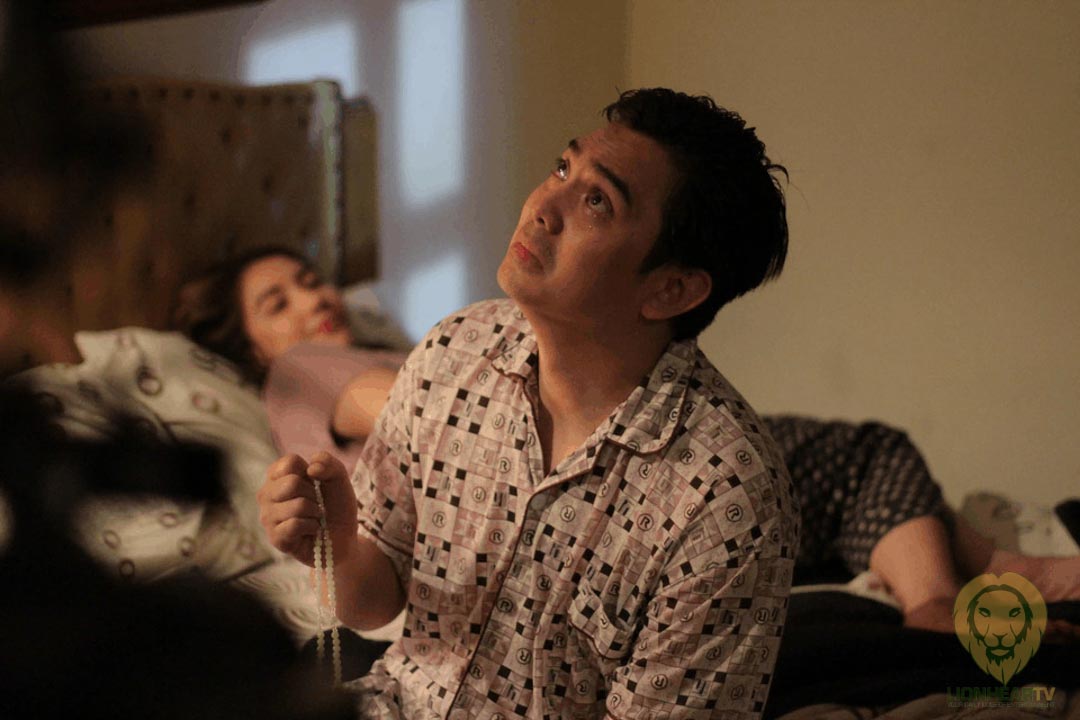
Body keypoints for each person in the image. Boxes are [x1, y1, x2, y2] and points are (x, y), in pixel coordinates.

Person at [257, 88, 799, 719]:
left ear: (671, 290)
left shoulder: (725, 497)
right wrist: (336, 547)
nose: (542, 205)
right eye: (563, 169)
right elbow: (375, 601)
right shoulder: (454, 351)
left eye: (597, 201)